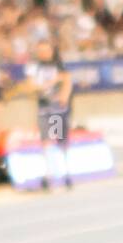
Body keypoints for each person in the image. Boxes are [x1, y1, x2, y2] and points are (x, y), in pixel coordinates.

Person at [25, 39, 74, 188]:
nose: (44, 54)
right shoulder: (34, 67)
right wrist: (48, 83)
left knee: (58, 139)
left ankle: (65, 173)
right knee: (45, 141)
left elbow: (67, 81)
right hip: (43, 108)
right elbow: (30, 86)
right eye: (41, 51)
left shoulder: (58, 65)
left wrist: (64, 95)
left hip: (56, 109)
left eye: (46, 50)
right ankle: (48, 174)